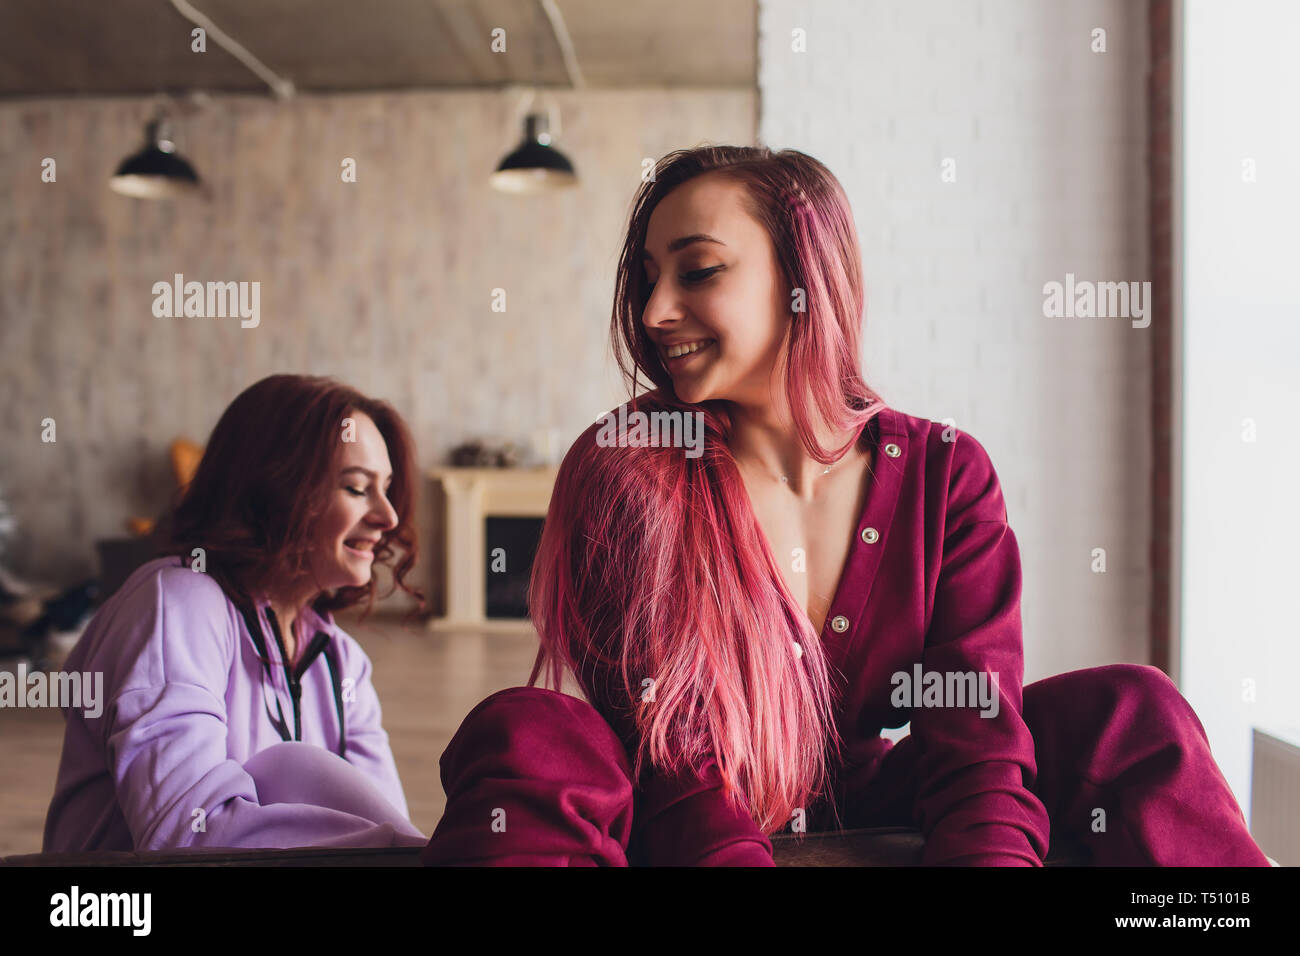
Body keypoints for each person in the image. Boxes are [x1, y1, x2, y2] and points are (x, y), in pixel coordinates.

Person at [421, 146, 1271, 867]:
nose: (653, 312)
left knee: (1133, 708)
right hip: (685, 826)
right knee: (526, 729)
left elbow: (975, 743)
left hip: (870, 799)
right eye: (647, 280)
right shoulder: (628, 471)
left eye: (699, 270)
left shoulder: (947, 474)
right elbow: (676, 769)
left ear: (805, 276)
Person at [44, 374, 427, 852]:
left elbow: (392, 836)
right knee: (291, 768)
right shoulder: (177, 604)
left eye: (386, 489)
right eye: (355, 488)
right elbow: (188, 839)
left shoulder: (342, 661)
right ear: (277, 490)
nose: (389, 517)